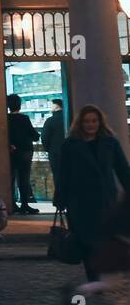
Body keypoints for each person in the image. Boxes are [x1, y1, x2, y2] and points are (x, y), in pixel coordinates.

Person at [54, 104, 130, 283]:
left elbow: (122, 170)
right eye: (87, 121)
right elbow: (63, 174)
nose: (90, 124)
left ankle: (100, 273)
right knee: (86, 240)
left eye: (94, 121)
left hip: (105, 199)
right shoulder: (70, 145)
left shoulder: (110, 143)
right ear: (80, 123)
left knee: (103, 239)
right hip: (80, 201)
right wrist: (61, 199)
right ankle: (93, 276)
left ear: (100, 122)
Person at [6, 93, 39, 214]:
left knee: (11, 178)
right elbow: (34, 135)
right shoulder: (24, 119)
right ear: (19, 105)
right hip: (25, 151)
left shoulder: (6, 119)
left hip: (11, 152)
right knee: (24, 178)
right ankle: (25, 204)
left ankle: (12, 204)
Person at [41, 98, 65, 202]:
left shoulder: (50, 120)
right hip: (69, 153)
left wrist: (48, 149)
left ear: (56, 107)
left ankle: (59, 200)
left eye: (52, 105)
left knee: (57, 176)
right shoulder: (68, 118)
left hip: (55, 153)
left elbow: (44, 137)